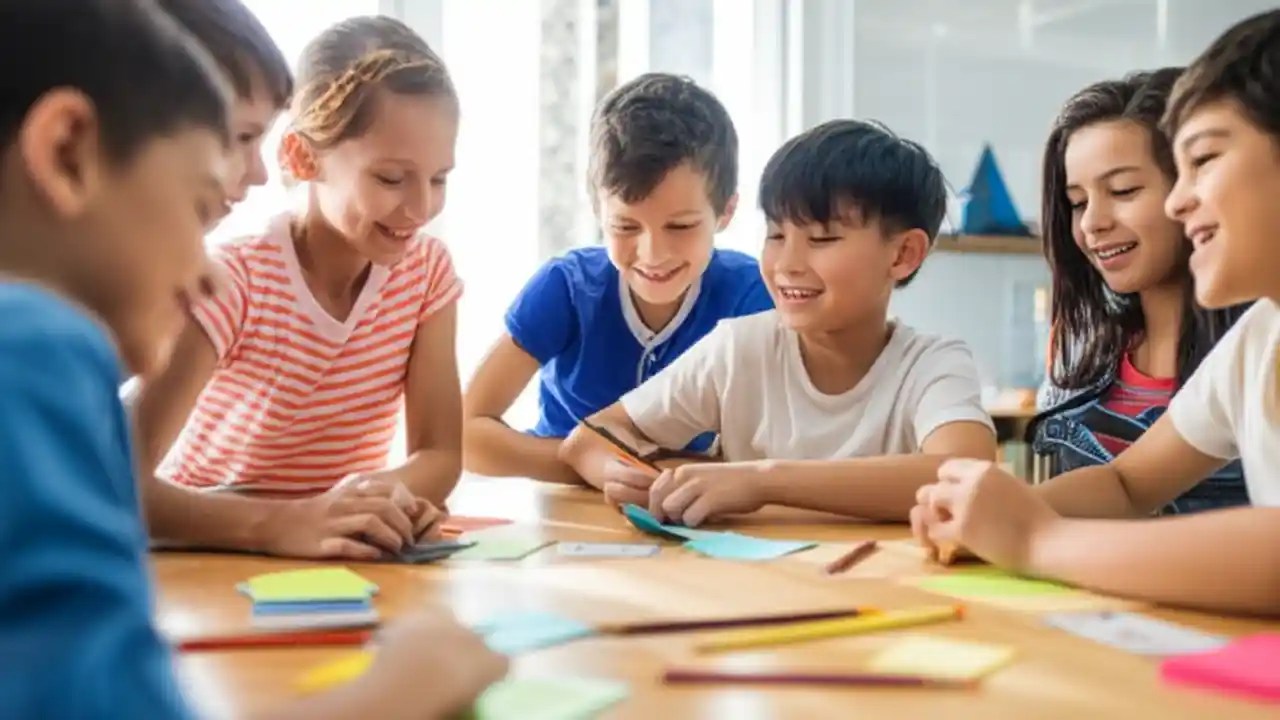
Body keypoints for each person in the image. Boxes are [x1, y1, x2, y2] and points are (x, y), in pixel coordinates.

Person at [0, 1, 505, 716]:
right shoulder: (33, 357)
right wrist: (409, 684)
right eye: (199, 200)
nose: (205, 275)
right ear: (66, 150)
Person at [912, 9, 1280, 617]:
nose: (1182, 199)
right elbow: (1129, 482)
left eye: (1205, 160)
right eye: (1077, 201)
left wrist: (1038, 539)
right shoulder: (1258, 339)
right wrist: (996, 513)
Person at [135, 15, 467, 559]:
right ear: (301, 157)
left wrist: (377, 498)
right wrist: (285, 522)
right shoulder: (232, 282)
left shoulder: (425, 273)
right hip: (209, 552)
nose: (421, 208)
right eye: (390, 178)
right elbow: (113, 479)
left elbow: (440, 454)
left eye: (438, 178)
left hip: (325, 550)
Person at [560, 119, 996, 525]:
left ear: (903, 255)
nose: (786, 263)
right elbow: (589, 438)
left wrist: (762, 481)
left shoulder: (931, 364)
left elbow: (967, 475)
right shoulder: (739, 349)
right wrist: (619, 474)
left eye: (822, 239)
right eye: (775, 235)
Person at [463, 73, 772, 485]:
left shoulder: (751, 296)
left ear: (727, 211)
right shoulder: (567, 288)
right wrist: (590, 463)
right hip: (562, 507)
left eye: (680, 227)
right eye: (625, 227)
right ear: (597, 210)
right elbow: (466, 435)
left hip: (681, 506)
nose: (652, 253)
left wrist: (635, 471)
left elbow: (766, 453)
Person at [1029, 68, 1248, 514]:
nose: (1092, 223)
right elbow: (1123, 488)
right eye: (1077, 203)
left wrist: (1030, 531)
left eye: (1123, 190)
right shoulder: (1080, 365)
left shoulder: (1253, 353)